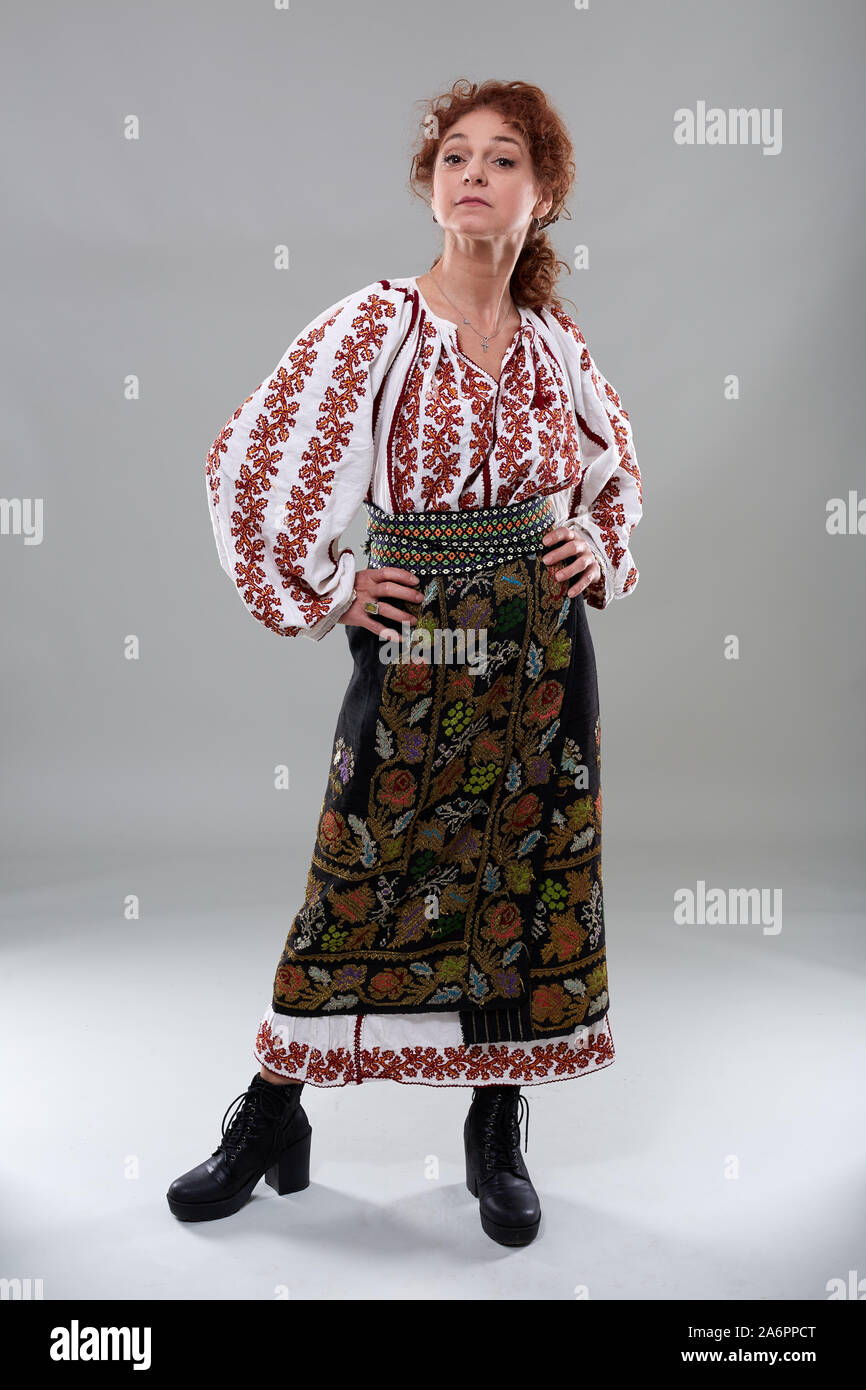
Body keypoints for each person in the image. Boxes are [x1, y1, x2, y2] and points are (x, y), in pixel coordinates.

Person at [167, 78, 642, 1248]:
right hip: (426, 632)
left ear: (543, 192)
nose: (473, 175)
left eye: (502, 160)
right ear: (431, 186)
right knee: (362, 859)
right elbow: (250, 459)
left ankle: (495, 1125)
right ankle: (274, 1114)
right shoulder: (374, 324)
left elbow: (612, 469)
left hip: (542, 640)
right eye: (454, 158)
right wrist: (331, 587)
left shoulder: (550, 340)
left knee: (518, 876)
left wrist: (597, 539)